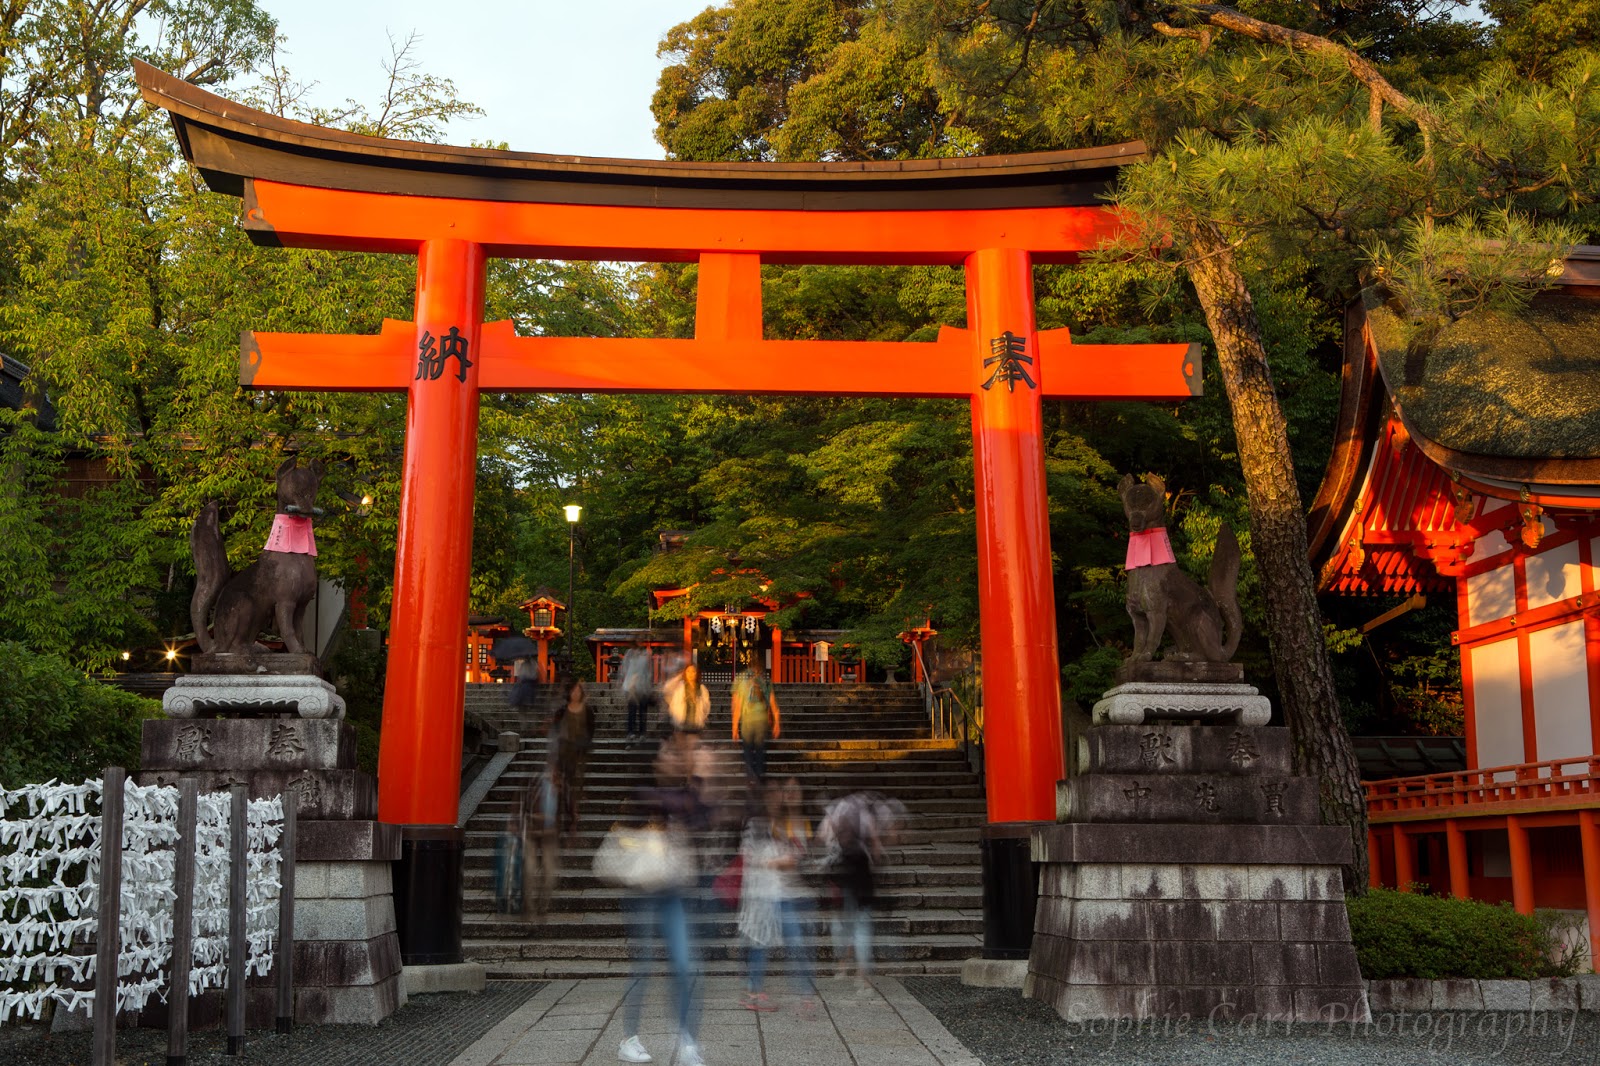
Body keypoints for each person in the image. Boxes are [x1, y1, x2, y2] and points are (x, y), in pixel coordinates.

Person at [617, 783, 708, 1065]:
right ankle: (628, 1039)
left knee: (685, 966)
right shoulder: (642, 807)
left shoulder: (677, 805)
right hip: (641, 893)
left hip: (671, 893)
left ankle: (687, 1043)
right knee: (642, 966)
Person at [738, 777, 815, 1015]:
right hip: (762, 894)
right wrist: (775, 861)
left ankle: (805, 996)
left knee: (796, 942)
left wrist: (788, 858)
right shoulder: (755, 824)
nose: (776, 797)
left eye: (778, 792)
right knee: (761, 944)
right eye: (771, 793)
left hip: (783, 892)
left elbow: (798, 852)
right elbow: (748, 855)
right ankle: (753, 992)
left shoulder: (785, 823)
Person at [819, 791, 905, 991]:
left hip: (841, 873)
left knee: (845, 923)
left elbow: (822, 836)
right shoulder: (867, 811)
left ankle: (843, 966)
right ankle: (861, 975)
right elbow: (877, 844)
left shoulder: (838, 809)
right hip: (861, 873)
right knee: (861, 925)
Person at [552, 677, 594, 840]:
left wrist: (585, 744)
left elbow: (591, 729)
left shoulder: (587, 710)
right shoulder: (563, 710)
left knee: (572, 783)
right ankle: (569, 814)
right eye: (573, 690)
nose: (576, 693)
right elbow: (556, 728)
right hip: (564, 750)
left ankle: (572, 814)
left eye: (578, 690)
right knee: (564, 784)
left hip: (579, 751)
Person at [730, 658, 780, 782]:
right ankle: (758, 774)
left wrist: (735, 726)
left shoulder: (742, 682)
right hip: (761, 721)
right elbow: (773, 704)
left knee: (747, 749)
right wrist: (776, 723)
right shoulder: (766, 682)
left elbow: (737, 705)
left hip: (748, 721)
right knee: (759, 749)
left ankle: (750, 775)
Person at [661, 662, 710, 734]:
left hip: (696, 724)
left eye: (693, 671)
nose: (691, 674)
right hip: (681, 722)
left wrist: (703, 717)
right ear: (685, 673)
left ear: (697, 673)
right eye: (688, 671)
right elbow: (667, 688)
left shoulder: (702, 688)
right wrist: (679, 677)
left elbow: (706, 705)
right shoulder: (680, 687)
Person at [620, 647, 655, 746]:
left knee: (642, 712)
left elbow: (648, 674)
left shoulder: (643, 658)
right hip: (632, 688)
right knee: (632, 711)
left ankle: (641, 732)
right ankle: (631, 732)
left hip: (642, 688)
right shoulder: (631, 657)